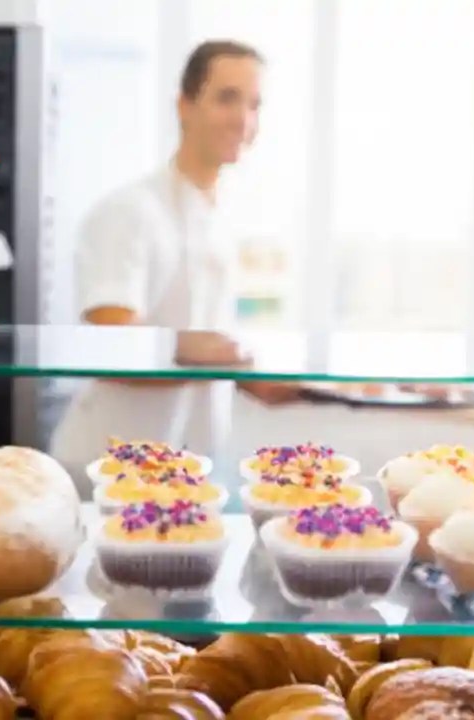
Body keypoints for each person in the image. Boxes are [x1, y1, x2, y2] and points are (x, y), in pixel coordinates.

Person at [48, 40, 298, 497]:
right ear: (184, 106)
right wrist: (230, 362)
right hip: (106, 468)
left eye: (254, 104)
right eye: (227, 98)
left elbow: (205, 348)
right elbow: (112, 339)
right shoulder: (128, 211)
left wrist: (259, 377)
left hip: (185, 469)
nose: (244, 120)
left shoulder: (222, 217)